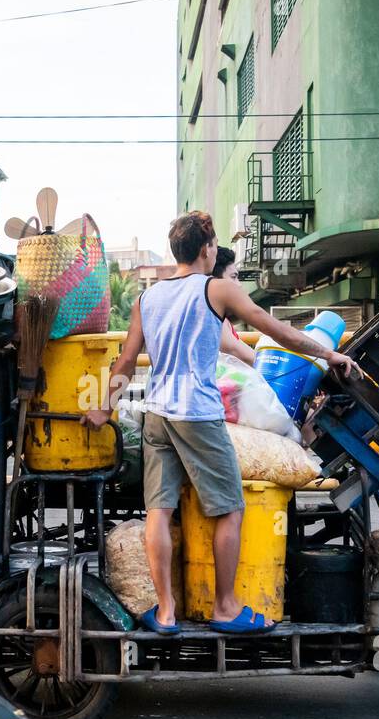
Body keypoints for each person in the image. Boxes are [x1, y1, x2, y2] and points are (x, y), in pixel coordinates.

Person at [82, 211, 358, 635]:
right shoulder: (217, 289)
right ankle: (226, 608)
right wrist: (328, 354)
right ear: (205, 248)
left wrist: (104, 407)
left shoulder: (147, 299)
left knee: (159, 510)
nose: (214, 252)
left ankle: (167, 612)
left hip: (157, 413)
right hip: (197, 413)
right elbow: (276, 332)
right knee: (229, 509)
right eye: (213, 246)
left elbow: (123, 361)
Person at [211, 247, 257, 366]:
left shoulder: (222, 319)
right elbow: (235, 350)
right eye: (233, 277)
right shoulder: (214, 318)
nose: (238, 284)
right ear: (216, 281)